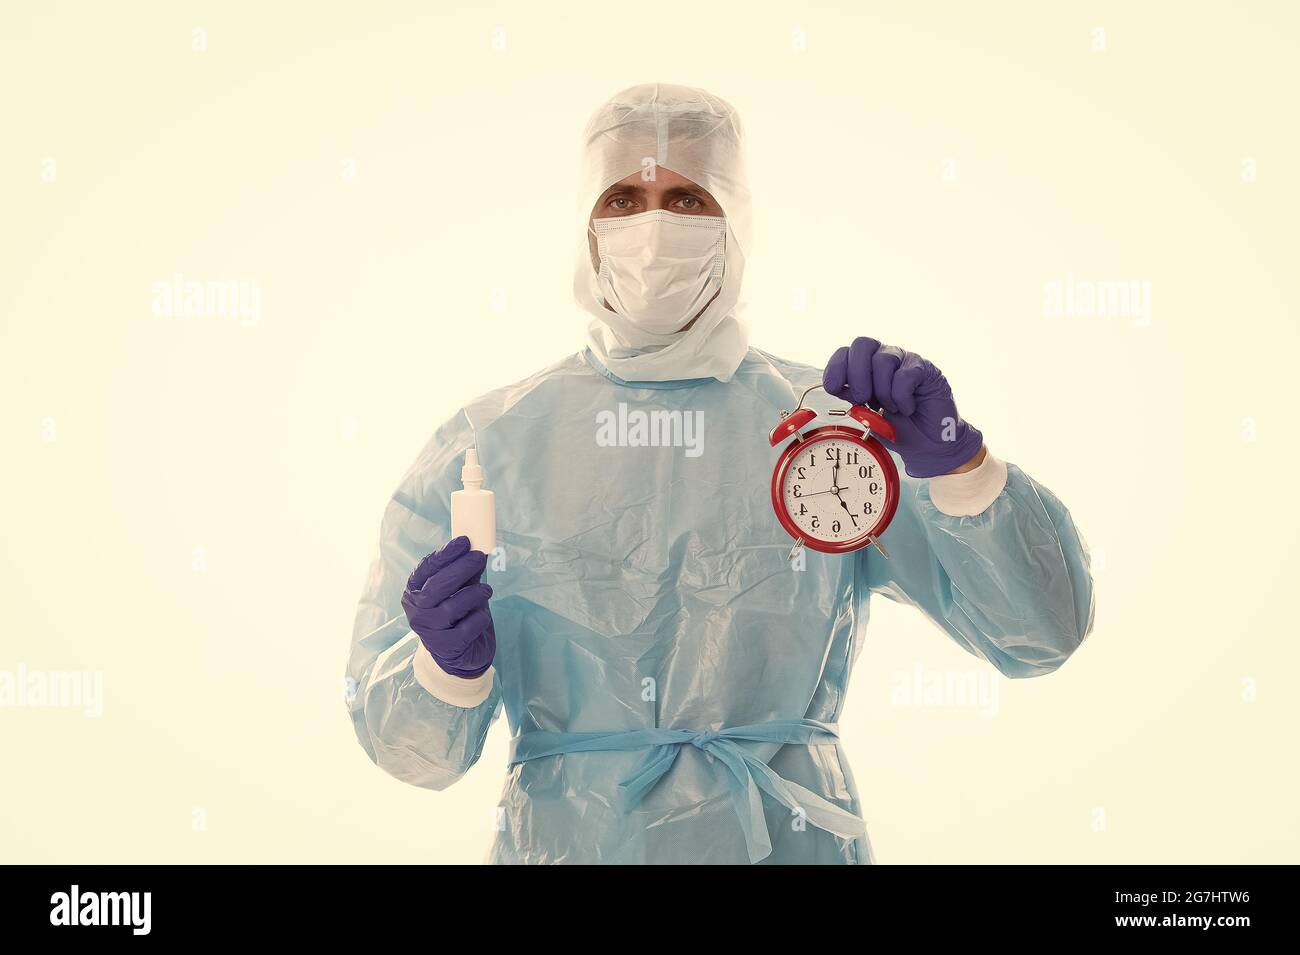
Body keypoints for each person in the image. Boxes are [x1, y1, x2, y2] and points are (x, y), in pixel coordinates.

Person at [346, 83, 1094, 864]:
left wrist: (962, 469)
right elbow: (407, 750)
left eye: (687, 198)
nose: (653, 229)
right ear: (588, 224)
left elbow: (1040, 633)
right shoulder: (490, 444)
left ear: (734, 218)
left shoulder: (828, 437)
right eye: (624, 198)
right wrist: (446, 674)